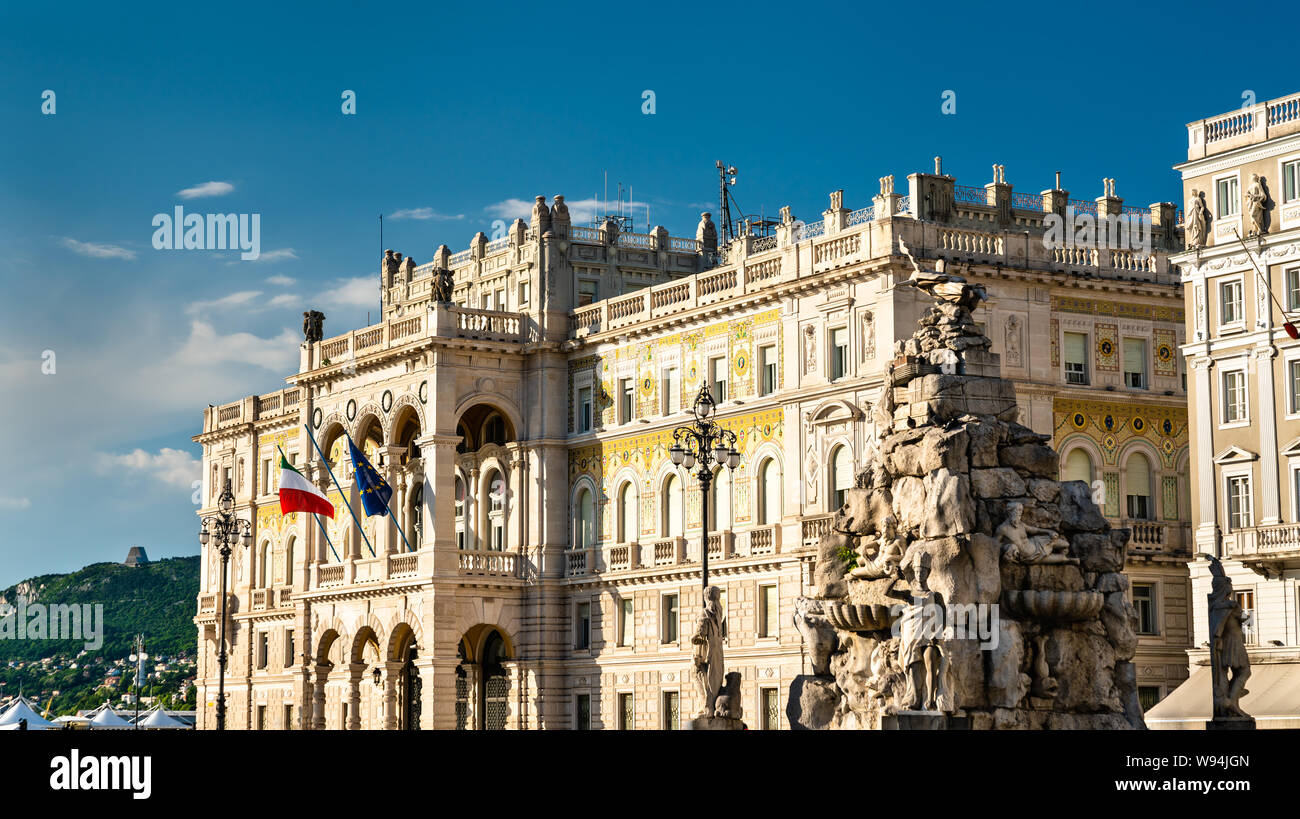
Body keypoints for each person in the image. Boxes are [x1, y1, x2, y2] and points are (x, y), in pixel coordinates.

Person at [691, 585, 726, 717]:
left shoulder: (704, 613)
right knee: (714, 682)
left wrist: (693, 638)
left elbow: (699, 634)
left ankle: (705, 709)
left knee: (701, 680)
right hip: (717, 656)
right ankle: (710, 708)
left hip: (705, 656)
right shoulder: (718, 615)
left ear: (706, 598)